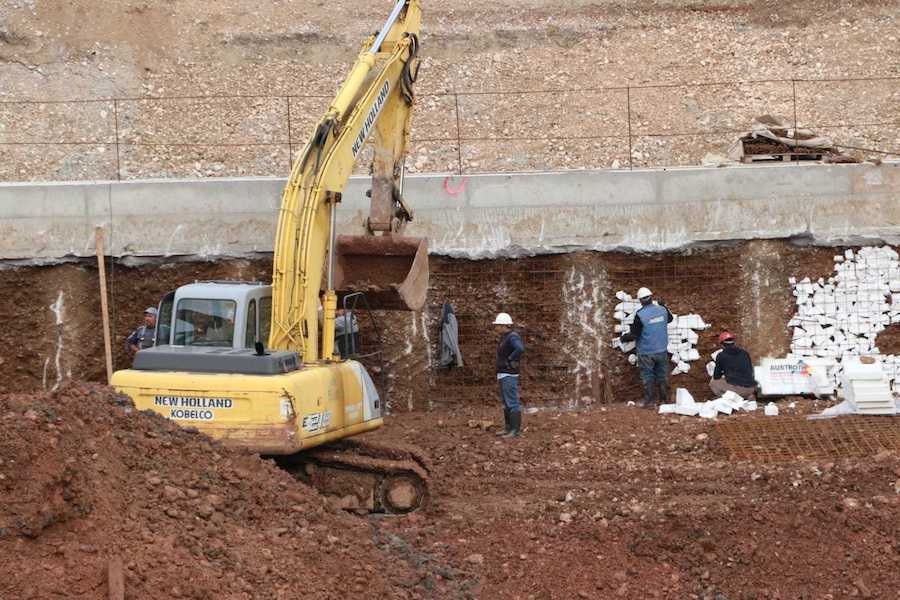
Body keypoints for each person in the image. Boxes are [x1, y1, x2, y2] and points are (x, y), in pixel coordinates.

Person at [620, 287, 673, 409]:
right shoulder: (662, 310)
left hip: (646, 352)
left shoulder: (640, 315)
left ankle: (649, 402)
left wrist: (624, 338)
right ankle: (664, 400)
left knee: (648, 376)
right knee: (662, 375)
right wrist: (663, 306)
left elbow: (635, 335)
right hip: (661, 350)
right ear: (651, 297)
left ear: (640, 301)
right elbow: (670, 319)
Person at [494, 312, 525, 438]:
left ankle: (515, 430)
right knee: (507, 402)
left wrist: (510, 360)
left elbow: (520, 348)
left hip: (508, 374)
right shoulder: (505, 336)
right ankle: (508, 428)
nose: (495, 327)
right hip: (503, 373)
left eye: (497, 325)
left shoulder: (512, 336)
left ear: (503, 325)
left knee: (512, 402)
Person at [710, 332, 757, 400]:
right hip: (751, 388)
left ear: (722, 344)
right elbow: (749, 370)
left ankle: (730, 399)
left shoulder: (721, 355)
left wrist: (723, 373)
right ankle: (748, 396)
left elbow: (716, 376)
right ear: (733, 342)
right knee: (737, 382)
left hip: (738, 389)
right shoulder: (745, 353)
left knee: (713, 383)